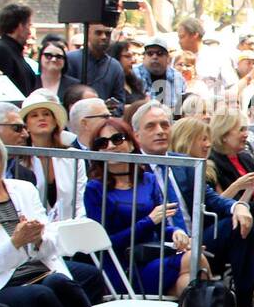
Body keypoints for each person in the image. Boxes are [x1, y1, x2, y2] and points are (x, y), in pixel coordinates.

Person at [0, 139, 134, 307]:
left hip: (39, 268)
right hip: (5, 283)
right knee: (43, 295)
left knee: (64, 284)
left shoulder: (23, 189)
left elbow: (52, 240)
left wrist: (38, 237)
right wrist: (15, 243)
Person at [155, 113, 254, 307]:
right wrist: (237, 192)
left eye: (208, 138)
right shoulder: (158, 168)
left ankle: (242, 306)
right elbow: (211, 206)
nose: (207, 144)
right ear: (187, 139)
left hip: (200, 235)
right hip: (170, 242)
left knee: (248, 225)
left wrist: (238, 207)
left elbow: (213, 200)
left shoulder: (195, 167)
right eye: (202, 139)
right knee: (239, 228)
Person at [83, 118, 204, 297]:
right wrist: (147, 221)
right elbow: (105, 243)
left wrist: (177, 232)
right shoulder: (95, 189)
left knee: (186, 283)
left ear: (132, 144)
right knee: (194, 260)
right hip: (122, 267)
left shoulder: (148, 180)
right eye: (102, 143)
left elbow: (160, 227)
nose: (110, 146)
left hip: (154, 255)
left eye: (117, 139)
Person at [19, 97, 87, 222]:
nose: (41, 118)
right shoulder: (19, 161)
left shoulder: (74, 157)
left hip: (68, 229)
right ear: (26, 126)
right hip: (34, 232)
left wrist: (78, 223)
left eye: (46, 114)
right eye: (34, 115)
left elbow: (80, 198)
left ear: (55, 122)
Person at [66, 23, 127, 110]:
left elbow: (120, 102)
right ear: (88, 34)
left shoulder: (115, 67)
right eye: (98, 33)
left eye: (107, 34)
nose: (104, 37)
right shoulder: (71, 59)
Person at [0, 4, 38, 97]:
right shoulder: (2, 51)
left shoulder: (14, 52)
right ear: (20, 26)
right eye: (29, 25)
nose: (29, 32)